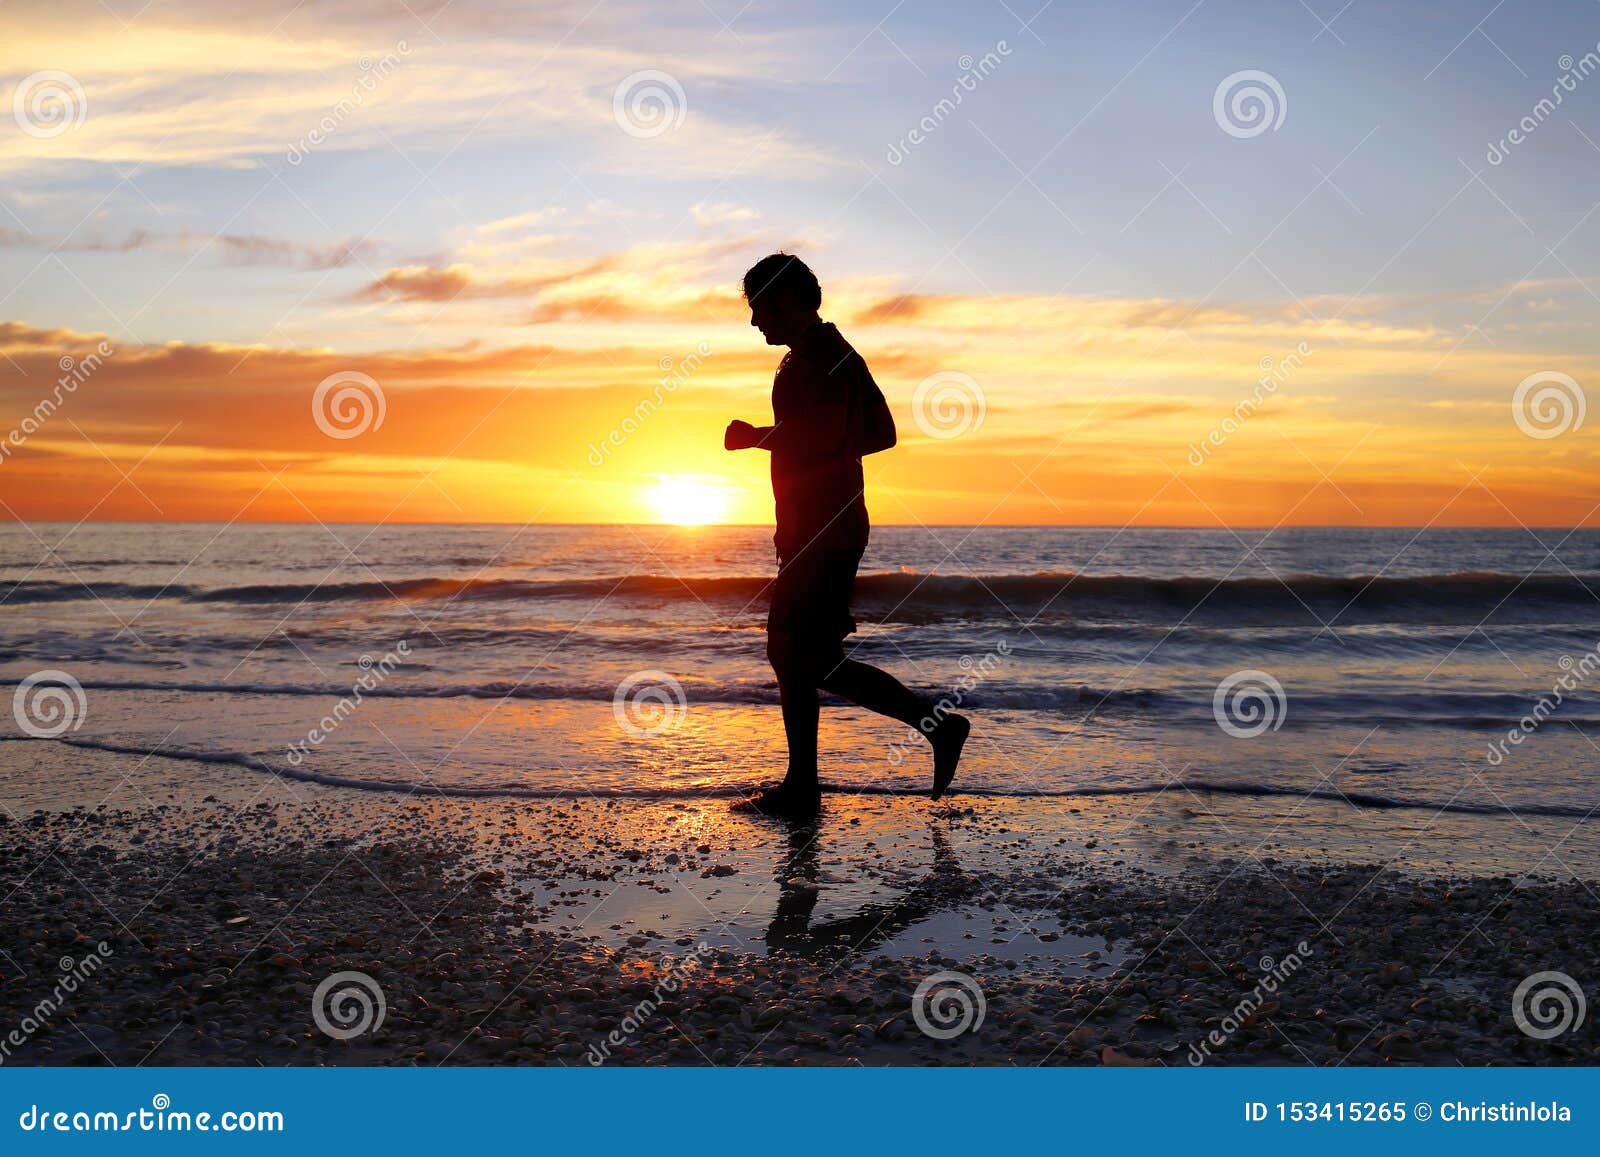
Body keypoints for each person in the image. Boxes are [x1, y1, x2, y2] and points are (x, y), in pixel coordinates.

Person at [724, 252, 970, 818]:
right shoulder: (825, 353)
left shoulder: (821, 353)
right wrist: (814, 451)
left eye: (761, 308)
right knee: (807, 657)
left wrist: (755, 436)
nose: (756, 321)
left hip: (825, 529)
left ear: (789, 300)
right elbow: (879, 433)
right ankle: (811, 783)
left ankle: (919, 734)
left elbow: (830, 432)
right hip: (818, 526)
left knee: (792, 652)